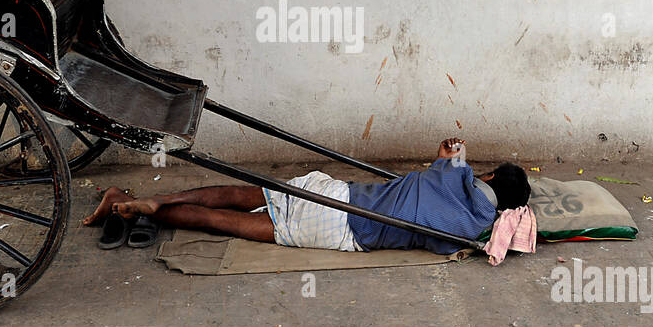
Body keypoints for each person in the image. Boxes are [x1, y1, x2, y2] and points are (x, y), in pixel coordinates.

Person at [82, 138, 530, 254]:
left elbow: (444, 164)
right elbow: (436, 234)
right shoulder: (473, 228)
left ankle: (154, 199)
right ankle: (158, 213)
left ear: (487, 175)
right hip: (338, 229)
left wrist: (445, 159)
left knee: (236, 194)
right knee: (224, 223)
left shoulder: (455, 173)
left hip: (334, 192)